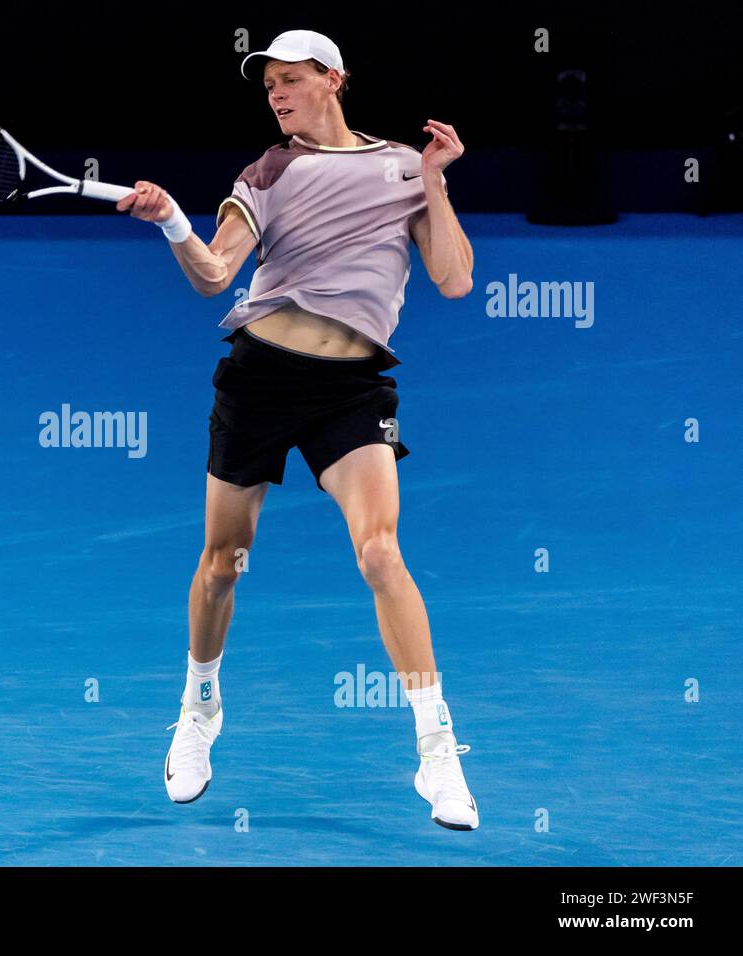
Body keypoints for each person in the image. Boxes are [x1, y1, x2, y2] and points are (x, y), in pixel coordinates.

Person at [116, 30, 479, 830]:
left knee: (381, 551)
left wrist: (433, 182)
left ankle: (436, 749)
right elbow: (215, 276)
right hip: (260, 379)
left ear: (333, 79)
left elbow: (454, 280)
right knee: (220, 564)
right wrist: (172, 218)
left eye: (290, 80)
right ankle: (199, 711)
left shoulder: (398, 170)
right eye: (268, 85)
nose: (277, 94)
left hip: (351, 389)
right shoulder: (267, 174)